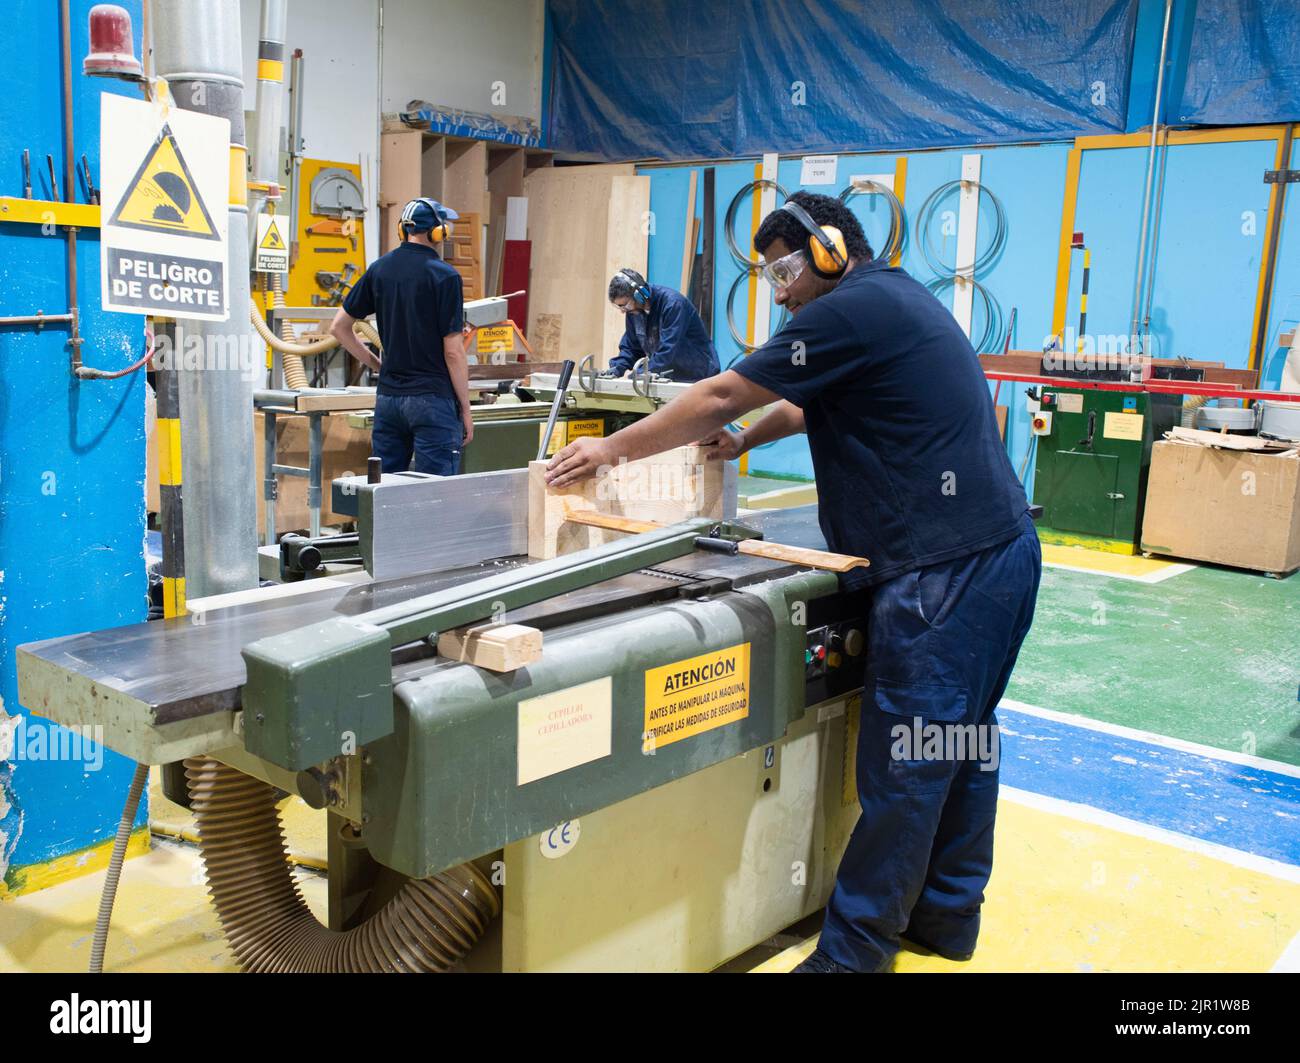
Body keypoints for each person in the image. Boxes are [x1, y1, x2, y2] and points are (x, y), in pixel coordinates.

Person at [546, 191, 1041, 974]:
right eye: (769, 274)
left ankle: (852, 956)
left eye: (785, 269)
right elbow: (804, 404)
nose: (779, 290)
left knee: (907, 766)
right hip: (1001, 552)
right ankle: (946, 916)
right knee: (962, 742)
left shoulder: (845, 313)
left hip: (943, 575)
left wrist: (612, 453)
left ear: (829, 250)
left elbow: (717, 391)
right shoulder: (895, 298)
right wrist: (741, 442)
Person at [329, 197, 472, 475]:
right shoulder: (445, 277)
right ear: (438, 232)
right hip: (433, 400)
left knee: (385, 492)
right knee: (435, 494)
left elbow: (339, 328)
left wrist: (377, 366)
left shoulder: (379, 269)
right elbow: (453, 351)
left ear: (402, 230)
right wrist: (465, 409)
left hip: (389, 400)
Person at [603, 268, 720, 382]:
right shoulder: (633, 311)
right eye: (619, 306)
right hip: (670, 376)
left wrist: (638, 373)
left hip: (699, 376)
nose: (623, 311)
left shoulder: (673, 304)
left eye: (625, 305)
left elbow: (668, 350)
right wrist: (616, 369)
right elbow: (631, 347)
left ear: (640, 295)